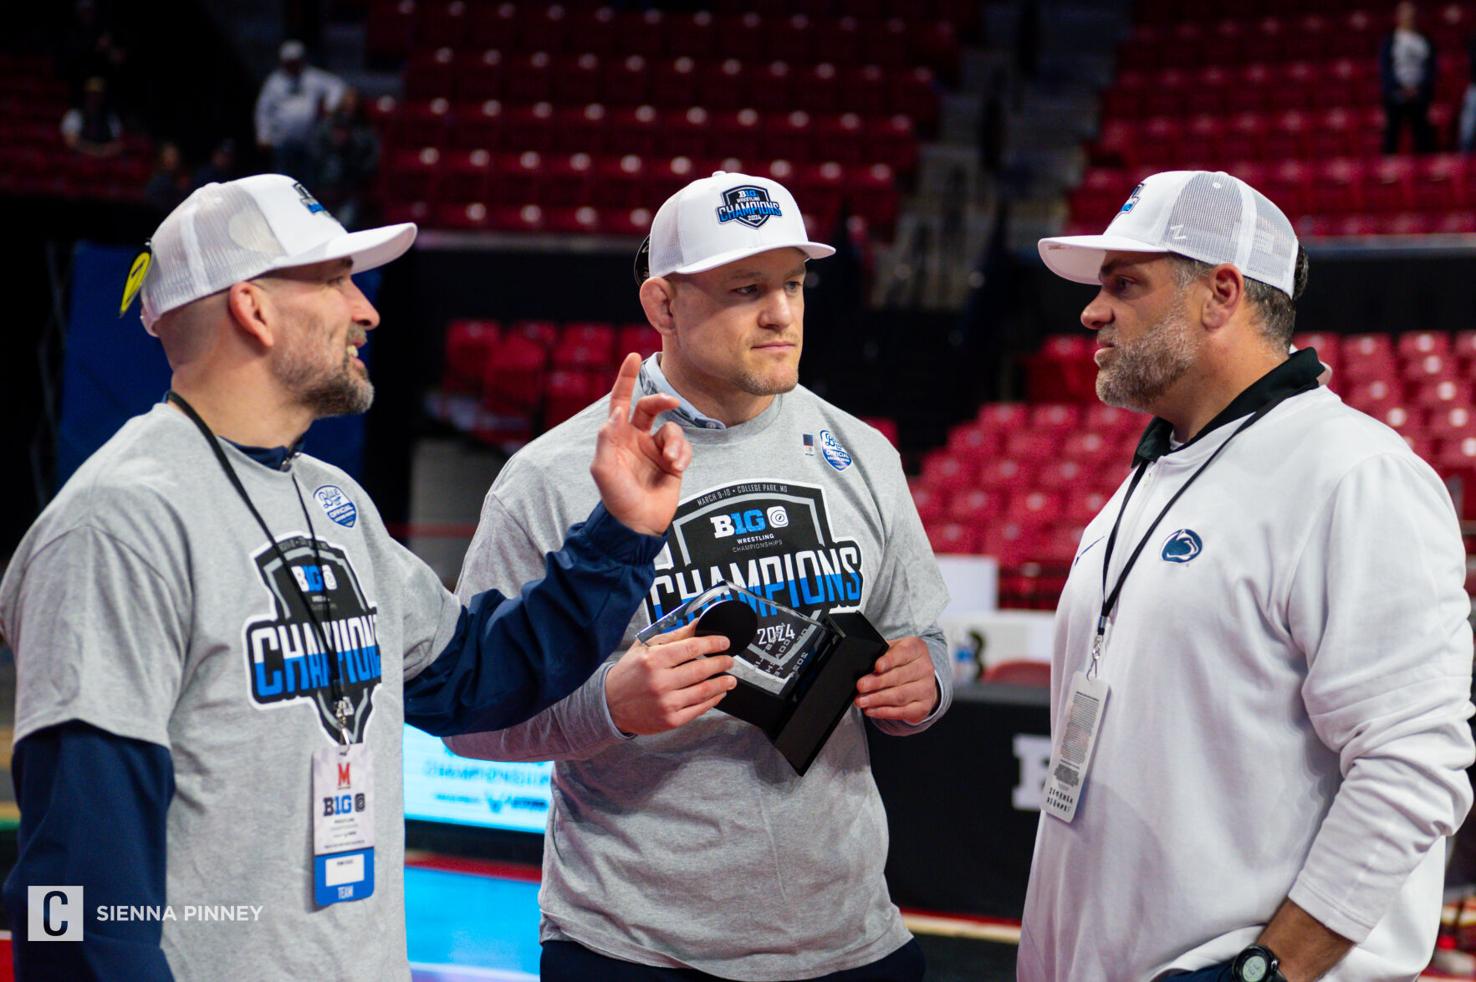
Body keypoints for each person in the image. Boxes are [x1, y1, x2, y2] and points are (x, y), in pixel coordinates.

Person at [0, 173, 694, 979]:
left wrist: (623, 532)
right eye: (333, 282)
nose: (366, 308)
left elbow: (475, 676)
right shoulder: (117, 526)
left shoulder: (334, 501)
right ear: (252, 308)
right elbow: (81, 893)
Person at [445, 172, 951, 981]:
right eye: (746, 288)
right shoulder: (553, 478)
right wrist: (609, 707)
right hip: (634, 948)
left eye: (792, 283)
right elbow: (469, 718)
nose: (782, 313)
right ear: (662, 305)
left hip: (852, 941)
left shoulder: (863, 453)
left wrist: (925, 684)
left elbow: (924, 641)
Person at [1022, 169, 1474, 980]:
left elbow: (1414, 765)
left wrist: (1269, 971)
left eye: (1125, 284)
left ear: (1221, 293)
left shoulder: (1355, 473)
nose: (1092, 311)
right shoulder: (1152, 474)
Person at [254, 39, 344, 180]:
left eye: (296, 61)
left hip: (307, 140)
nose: (292, 66)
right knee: (283, 179)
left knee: (307, 181)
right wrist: (263, 135)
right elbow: (263, 110)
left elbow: (336, 85)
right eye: (289, 62)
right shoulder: (274, 82)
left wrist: (330, 106)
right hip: (282, 141)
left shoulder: (312, 77)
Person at [310, 87, 379, 230]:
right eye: (347, 102)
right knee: (320, 226)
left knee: (344, 226)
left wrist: (356, 162)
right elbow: (315, 151)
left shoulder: (364, 130)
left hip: (351, 188)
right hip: (324, 187)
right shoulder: (327, 126)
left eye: (353, 102)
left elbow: (372, 157)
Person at [1381, 1, 1438, 154]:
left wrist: (1419, 89)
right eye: (1405, 12)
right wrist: (1400, 88)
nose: (1409, 16)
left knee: (1423, 137)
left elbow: (1431, 68)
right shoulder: (1391, 40)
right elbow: (1386, 68)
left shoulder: (1424, 40)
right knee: (1392, 135)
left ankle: (1424, 170)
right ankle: (1388, 171)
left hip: (1419, 95)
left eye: (1411, 12)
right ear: (1398, 16)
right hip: (1396, 96)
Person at [60, 75, 122, 158]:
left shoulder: (110, 117)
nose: (95, 97)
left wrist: (103, 152)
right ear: (86, 94)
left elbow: (117, 145)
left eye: (98, 94)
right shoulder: (74, 114)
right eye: (92, 93)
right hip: (79, 162)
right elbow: (71, 142)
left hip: (105, 163)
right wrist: (98, 151)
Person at [144, 141, 191, 213]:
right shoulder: (157, 181)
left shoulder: (182, 178)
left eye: (175, 155)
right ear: (162, 157)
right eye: (170, 155)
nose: (173, 159)